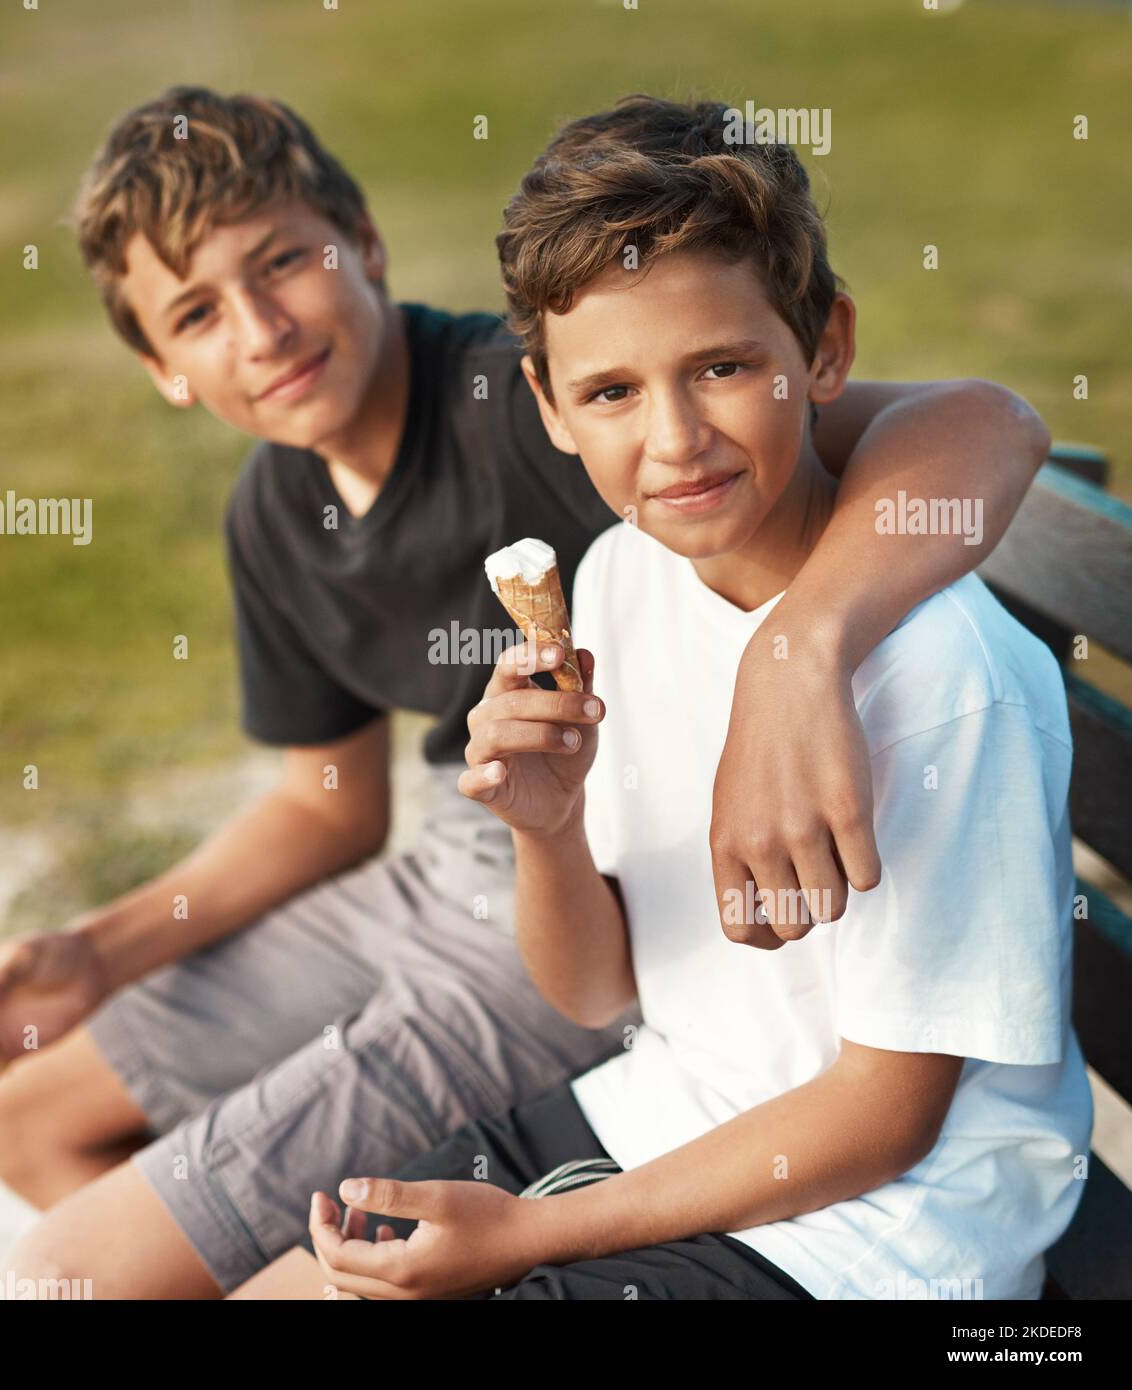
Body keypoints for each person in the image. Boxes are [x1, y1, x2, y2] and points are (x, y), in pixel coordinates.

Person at [0, 88, 1054, 1298]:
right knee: (42, 1135)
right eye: (197, 312)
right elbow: (329, 807)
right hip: (549, 946)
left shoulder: (526, 409)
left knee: (71, 1277)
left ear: (365, 245)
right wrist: (98, 954)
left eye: (282, 264)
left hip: (853, 1204)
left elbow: (978, 422)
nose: (259, 330)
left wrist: (799, 649)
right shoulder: (574, 557)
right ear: (161, 366)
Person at [267, 94, 1091, 1301]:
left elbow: (886, 1119)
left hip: (881, 1231)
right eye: (610, 392)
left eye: (721, 367)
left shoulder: (940, 677)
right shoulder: (615, 581)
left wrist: (535, 1237)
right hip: (670, 1111)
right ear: (547, 407)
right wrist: (544, 828)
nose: (676, 439)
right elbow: (599, 990)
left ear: (823, 351)